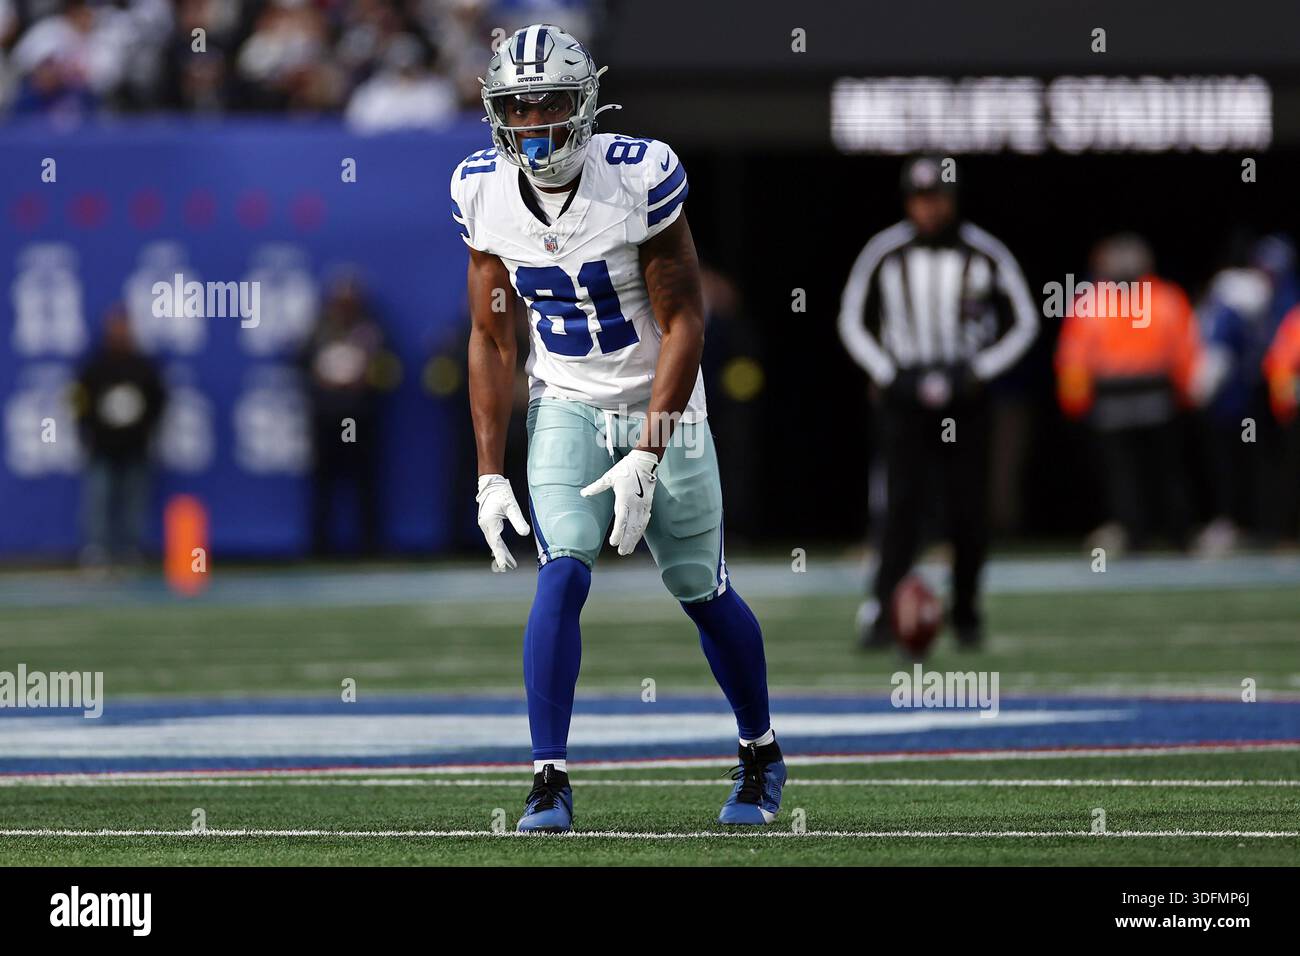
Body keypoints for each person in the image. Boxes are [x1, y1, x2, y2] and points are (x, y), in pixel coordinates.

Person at [452, 23, 782, 833]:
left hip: (666, 405)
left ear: (587, 103)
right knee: (561, 569)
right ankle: (547, 779)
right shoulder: (480, 189)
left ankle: (760, 751)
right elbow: (494, 336)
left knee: (699, 589)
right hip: (564, 402)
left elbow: (686, 323)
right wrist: (489, 471)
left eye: (552, 104)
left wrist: (648, 450)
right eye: (517, 108)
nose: (534, 124)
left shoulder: (638, 177)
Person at [838, 156, 1038, 652]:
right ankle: (884, 611)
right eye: (921, 198)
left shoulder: (984, 252)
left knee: (968, 507)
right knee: (898, 507)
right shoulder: (885, 251)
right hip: (903, 399)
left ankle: (967, 613)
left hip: (965, 399)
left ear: (953, 200)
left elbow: (1026, 321)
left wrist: (977, 370)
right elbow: (850, 319)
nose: (930, 209)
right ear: (909, 201)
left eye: (939, 198)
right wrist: (888, 374)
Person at [1055, 234, 1203, 553]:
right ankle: (1170, 534)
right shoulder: (1163, 298)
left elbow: (1074, 357)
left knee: (1134, 473)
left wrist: (1075, 403)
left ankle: (1147, 534)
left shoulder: (1096, 301)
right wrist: (1187, 393)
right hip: (1145, 398)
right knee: (1157, 471)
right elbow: (1185, 351)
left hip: (1130, 399)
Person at [301, 272, 393, 556]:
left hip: (358, 416)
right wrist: (320, 377)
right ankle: (319, 546)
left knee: (364, 482)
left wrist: (367, 377)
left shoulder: (371, 331)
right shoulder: (318, 330)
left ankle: (369, 544)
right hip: (327, 417)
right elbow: (300, 365)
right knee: (323, 484)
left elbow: (390, 371)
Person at [72, 307, 165, 568]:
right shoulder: (95, 365)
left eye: (123, 326)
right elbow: (78, 399)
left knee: (133, 500)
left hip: (135, 445)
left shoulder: (142, 366)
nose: (119, 332)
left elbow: (159, 400)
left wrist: (147, 429)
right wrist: (85, 429)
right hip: (102, 445)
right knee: (99, 499)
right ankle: (96, 550)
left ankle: (130, 550)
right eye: (115, 326)